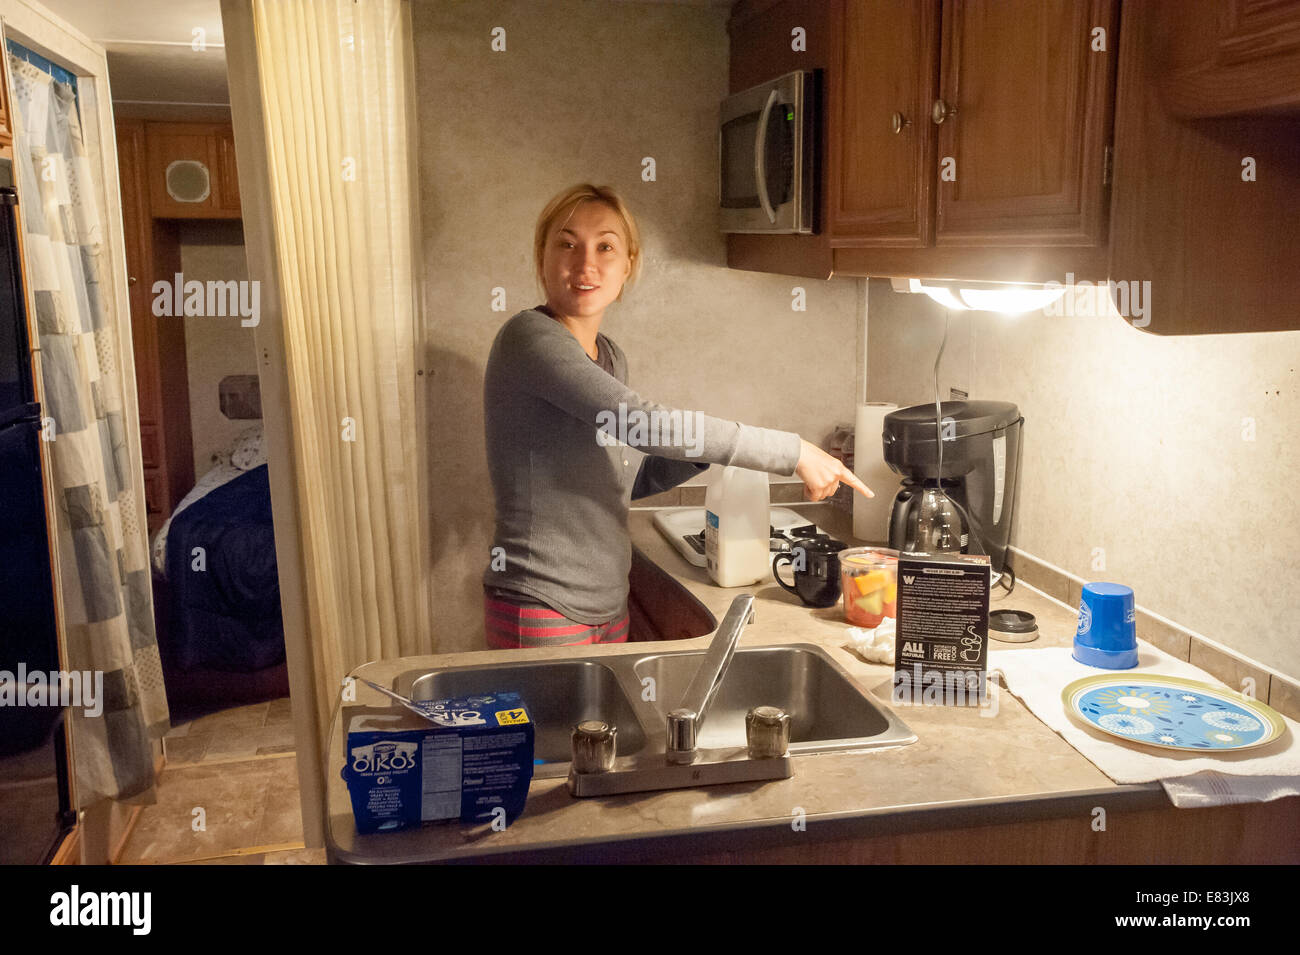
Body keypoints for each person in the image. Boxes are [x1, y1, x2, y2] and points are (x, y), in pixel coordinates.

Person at [482, 183, 872, 649]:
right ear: (541, 257)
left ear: (628, 264)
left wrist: (703, 453)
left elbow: (622, 479)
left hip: (608, 602)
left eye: (605, 247)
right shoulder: (529, 339)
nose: (586, 264)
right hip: (542, 605)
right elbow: (642, 424)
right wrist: (793, 451)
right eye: (567, 245)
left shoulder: (609, 355)